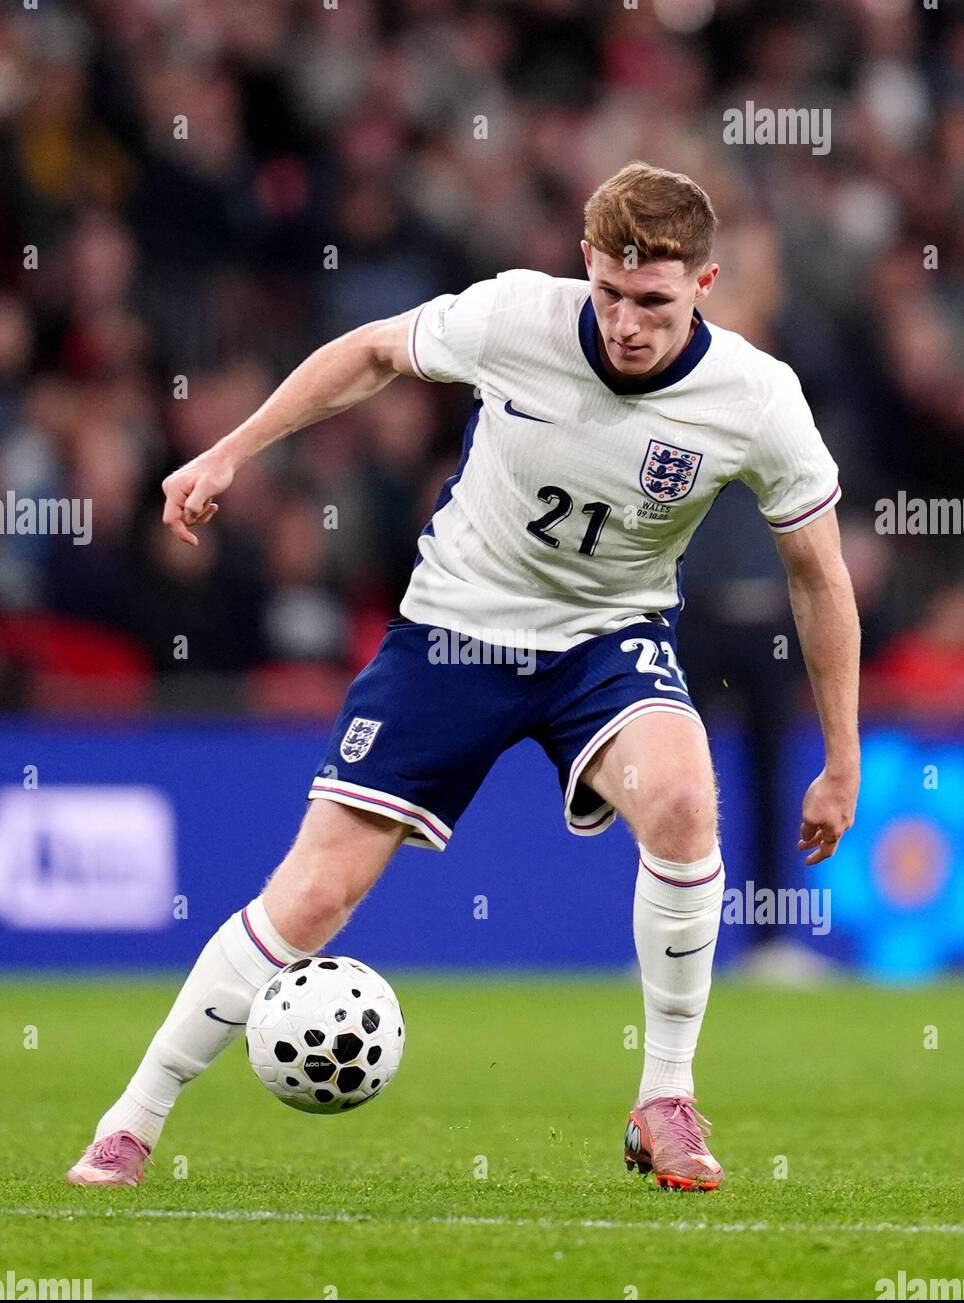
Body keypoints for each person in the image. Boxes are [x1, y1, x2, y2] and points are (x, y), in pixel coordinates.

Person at [68, 161, 861, 1191]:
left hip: (601, 640)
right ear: (586, 267)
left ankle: (665, 1095)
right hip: (452, 633)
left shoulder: (755, 398)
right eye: (612, 295)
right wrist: (229, 452)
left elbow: (819, 575)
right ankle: (133, 1119)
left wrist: (839, 760)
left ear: (704, 287)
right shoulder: (513, 317)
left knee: (680, 795)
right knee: (312, 894)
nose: (626, 324)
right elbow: (367, 354)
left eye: (654, 304)